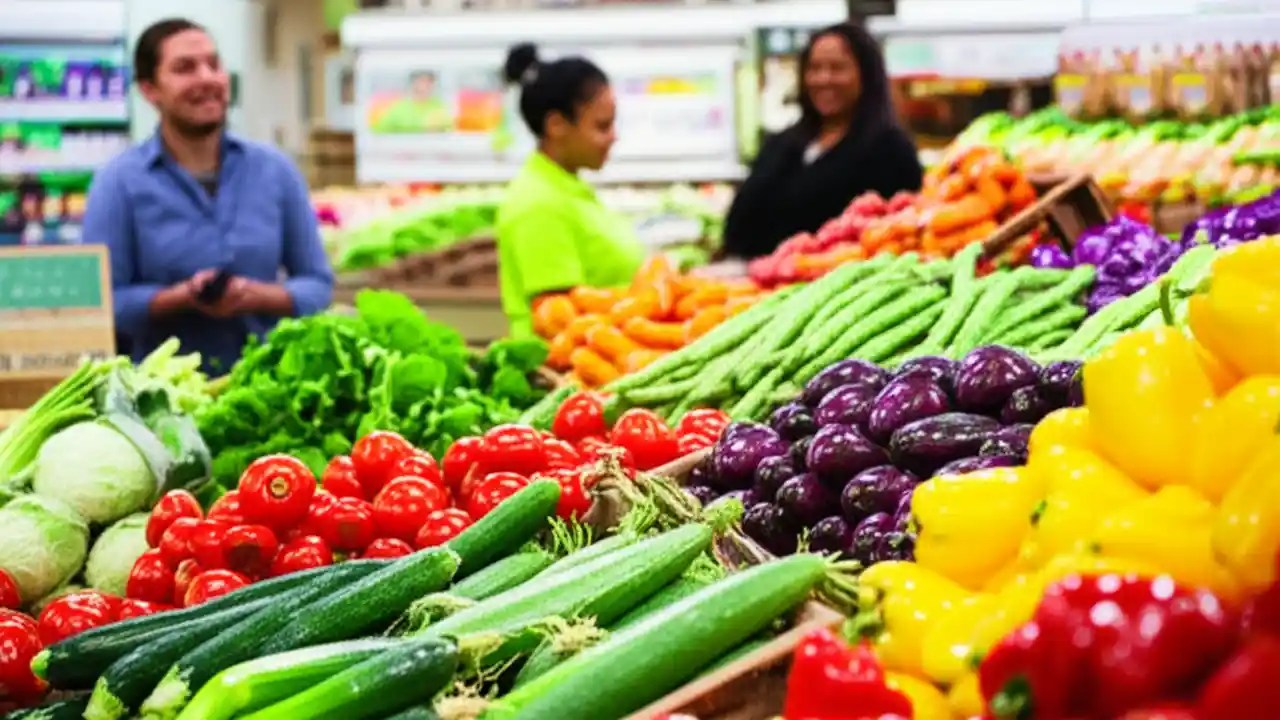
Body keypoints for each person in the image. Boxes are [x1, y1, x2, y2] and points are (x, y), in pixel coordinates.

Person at [84, 18, 333, 375]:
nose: (207, 78)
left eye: (213, 64)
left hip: (268, 389)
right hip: (163, 400)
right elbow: (105, 304)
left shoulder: (275, 170)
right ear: (149, 89)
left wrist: (257, 295)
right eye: (185, 68)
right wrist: (179, 297)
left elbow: (317, 284)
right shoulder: (118, 183)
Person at [723, 22, 923, 259]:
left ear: (866, 75)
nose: (823, 79)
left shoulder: (890, 151)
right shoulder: (781, 143)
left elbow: (899, 234)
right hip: (754, 285)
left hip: (838, 288)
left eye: (837, 68)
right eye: (814, 68)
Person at [495, 43, 643, 338]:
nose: (614, 137)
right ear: (557, 125)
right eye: (602, 126)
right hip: (565, 375)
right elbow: (560, 322)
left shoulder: (567, 185)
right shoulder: (538, 205)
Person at [372, 70, 452, 134]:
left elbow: (451, 130)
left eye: (430, 81)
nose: (427, 85)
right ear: (414, 83)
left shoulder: (439, 105)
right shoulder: (400, 107)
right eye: (423, 81)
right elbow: (378, 132)